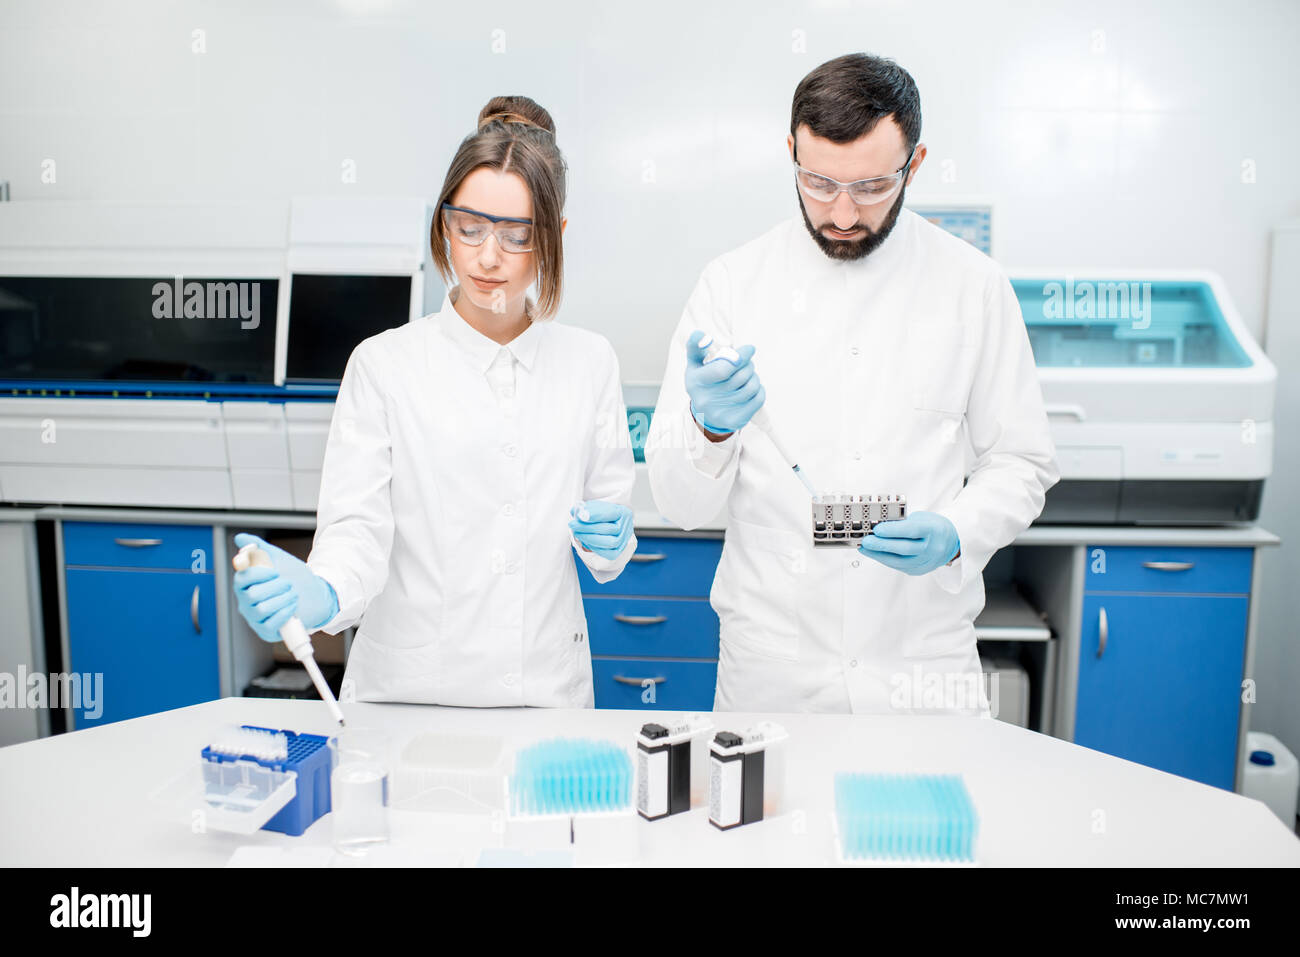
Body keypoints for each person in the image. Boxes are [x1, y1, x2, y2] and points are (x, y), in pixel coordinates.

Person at [645, 54, 1059, 715]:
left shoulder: (974, 288)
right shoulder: (732, 285)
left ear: (914, 164)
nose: (841, 212)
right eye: (817, 183)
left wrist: (957, 529)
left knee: (932, 820)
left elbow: (1023, 459)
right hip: (774, 670)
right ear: (791, 153)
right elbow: (681, 503)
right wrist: (709, 428)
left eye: (870, 188)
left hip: (920, 664)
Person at [232, 96, 637, 707]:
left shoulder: (590, 362)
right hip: (407, 699)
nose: (487, 256)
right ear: (444, 221)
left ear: (554, 235)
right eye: (469, 227)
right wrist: (321, 591)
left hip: (546, 693)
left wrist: (612, 541)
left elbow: (606, 537)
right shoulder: (383, 365)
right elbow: (357, 533)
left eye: (517, 235)